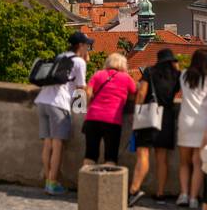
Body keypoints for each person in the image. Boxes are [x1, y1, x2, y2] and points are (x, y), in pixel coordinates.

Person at [35, 30, 91, 195]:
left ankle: (48, 180)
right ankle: (53, 183)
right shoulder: (80, 62)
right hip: (59, 104)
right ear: (80, 46)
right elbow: (81, 87)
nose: (88, 48)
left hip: (42, 101)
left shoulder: (61, 56)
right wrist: (80, 110)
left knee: (47, 143)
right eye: (87, 45)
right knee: (58, 144)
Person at [128, 47, 179, 206]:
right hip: (167, 118)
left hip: (149, 116)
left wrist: (136, 112)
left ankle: (134, 190)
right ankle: (160, 193)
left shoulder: (150, 72)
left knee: (143, 154)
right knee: (161, 158)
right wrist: (176, 69)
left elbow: (142, 93)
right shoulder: (177, 76)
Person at [177, 47, 207, 208]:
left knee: (184, 162)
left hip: (185, 120)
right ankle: (194, 198)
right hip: (203, 122)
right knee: (198, 163)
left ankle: (183, 194)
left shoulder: (184, 75)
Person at [82, 52, 137, 166]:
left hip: (92, 118)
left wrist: (89, 106)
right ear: (123, 64)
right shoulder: (126, 78)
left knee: (90, 155)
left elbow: (88, 92)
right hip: (112, 119)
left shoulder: (98, 74)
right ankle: (108, 182)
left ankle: (86, 181)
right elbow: (134, 93)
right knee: (110, 156)